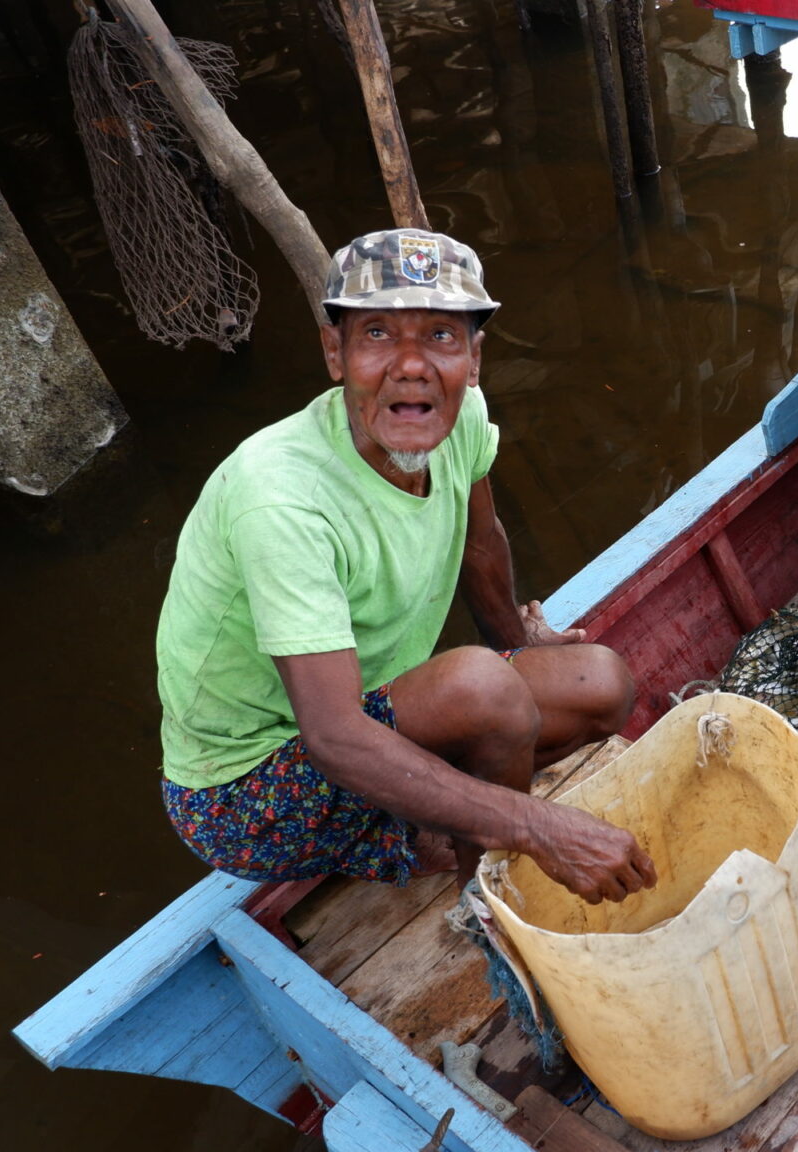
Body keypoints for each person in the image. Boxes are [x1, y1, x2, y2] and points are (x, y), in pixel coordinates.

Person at [154, 228, 656, 905]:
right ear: (336, 354)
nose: (412, 366)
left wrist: (520, 644)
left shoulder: (465, 418)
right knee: (482, 690)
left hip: (362, 715)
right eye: (379, 335)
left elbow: (481, 546)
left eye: (442, 338)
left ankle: (427, 820)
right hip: (242, 795)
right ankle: (486, 897)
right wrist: (538, 827)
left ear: (474, 360)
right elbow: (332, 734)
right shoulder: (279, 497)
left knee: (599, 684)